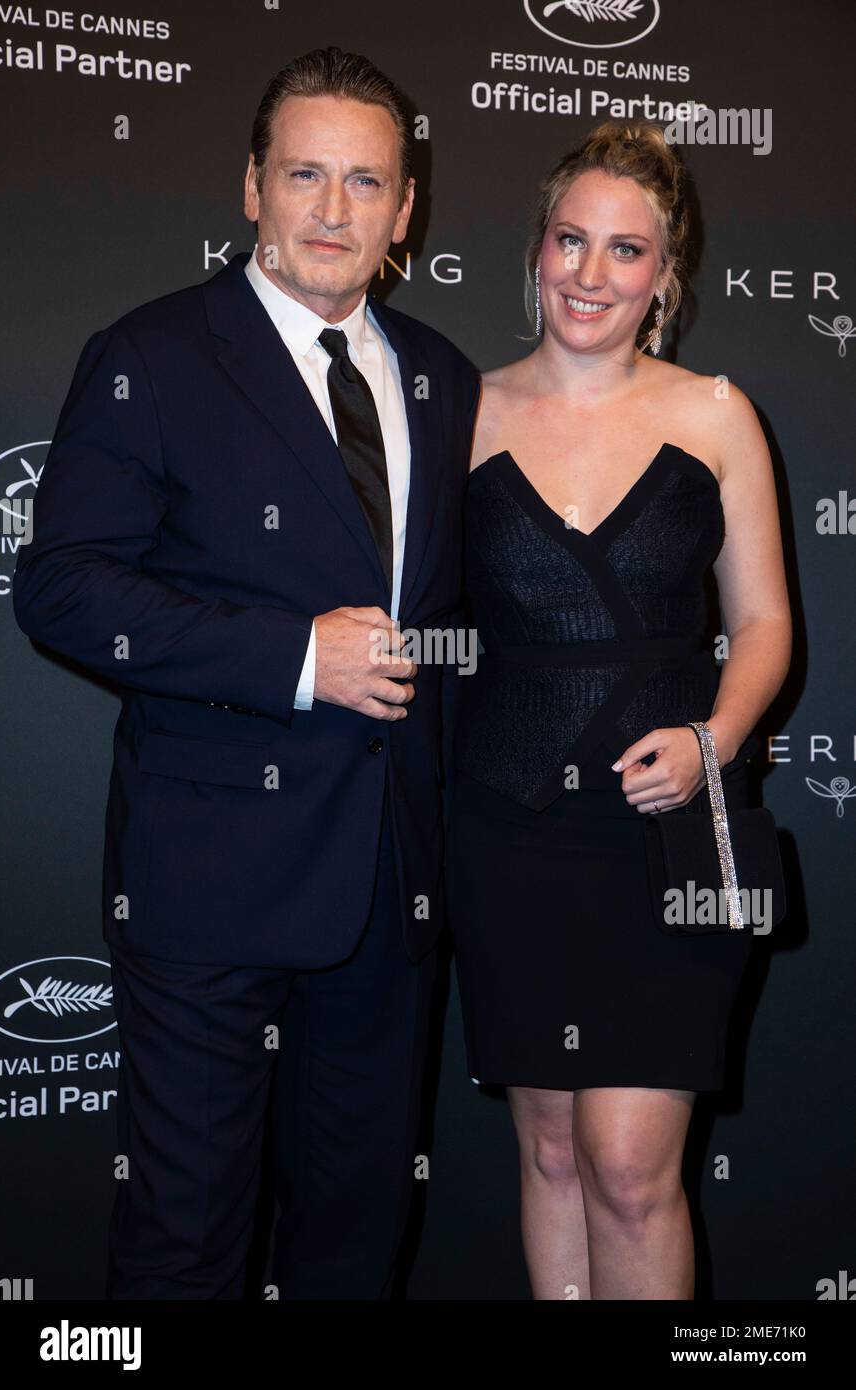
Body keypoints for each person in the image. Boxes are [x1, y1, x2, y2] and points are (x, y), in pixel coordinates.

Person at [13, 46, 479, 1300]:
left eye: (365, 182)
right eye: (305, 175)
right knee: (187, 1242)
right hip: (210, 883)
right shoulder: (154, 355)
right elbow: (59, 586)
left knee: (355, 1237)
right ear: (250, 191)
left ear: (404, 210)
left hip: (391, 884)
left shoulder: (437, 374)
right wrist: (289, 658)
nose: (334, 210)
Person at [445, 121, 791, 1300]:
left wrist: (711, 743)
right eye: (570, 240)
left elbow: (762, 627)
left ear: (664, 273)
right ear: (536, 250)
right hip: (509, 824)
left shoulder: (715, 415)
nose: (590, 274)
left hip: (672, 833)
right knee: (546, 1149)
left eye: (625, 250)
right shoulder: (461, 414)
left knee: (631, 1167)